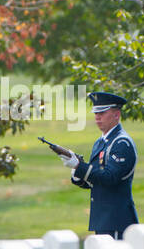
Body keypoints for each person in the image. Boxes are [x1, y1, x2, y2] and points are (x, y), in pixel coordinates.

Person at [60, 91, 139, 240]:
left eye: (102, 113)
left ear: (116, 115)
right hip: (102, 218)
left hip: (117, 219)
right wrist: (77, 175)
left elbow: (110, 178)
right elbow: (96, 180)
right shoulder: (101, 142)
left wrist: (80, 166)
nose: (97, 117)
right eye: (96, 113)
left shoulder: (122, 143)